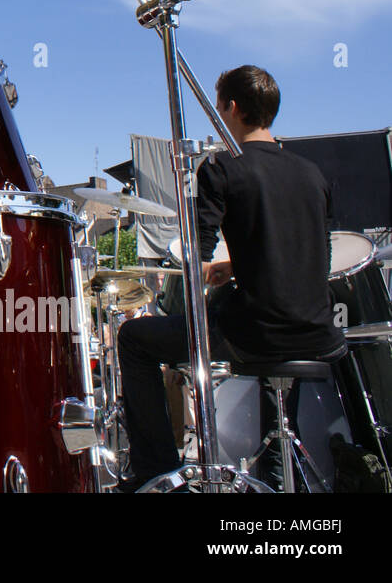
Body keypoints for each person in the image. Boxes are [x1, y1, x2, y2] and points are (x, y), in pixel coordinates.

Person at [117, 65, 345, 490]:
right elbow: (315, 256)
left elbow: (194, 257)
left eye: (219, 106)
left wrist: (203, 271)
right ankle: (277, 475)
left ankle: (160, 473)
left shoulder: (222, 169)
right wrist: (237, 268)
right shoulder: (312, 173)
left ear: (232, 108)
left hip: (259, 332)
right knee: (273, 322)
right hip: (318, 332)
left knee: (133, 340)